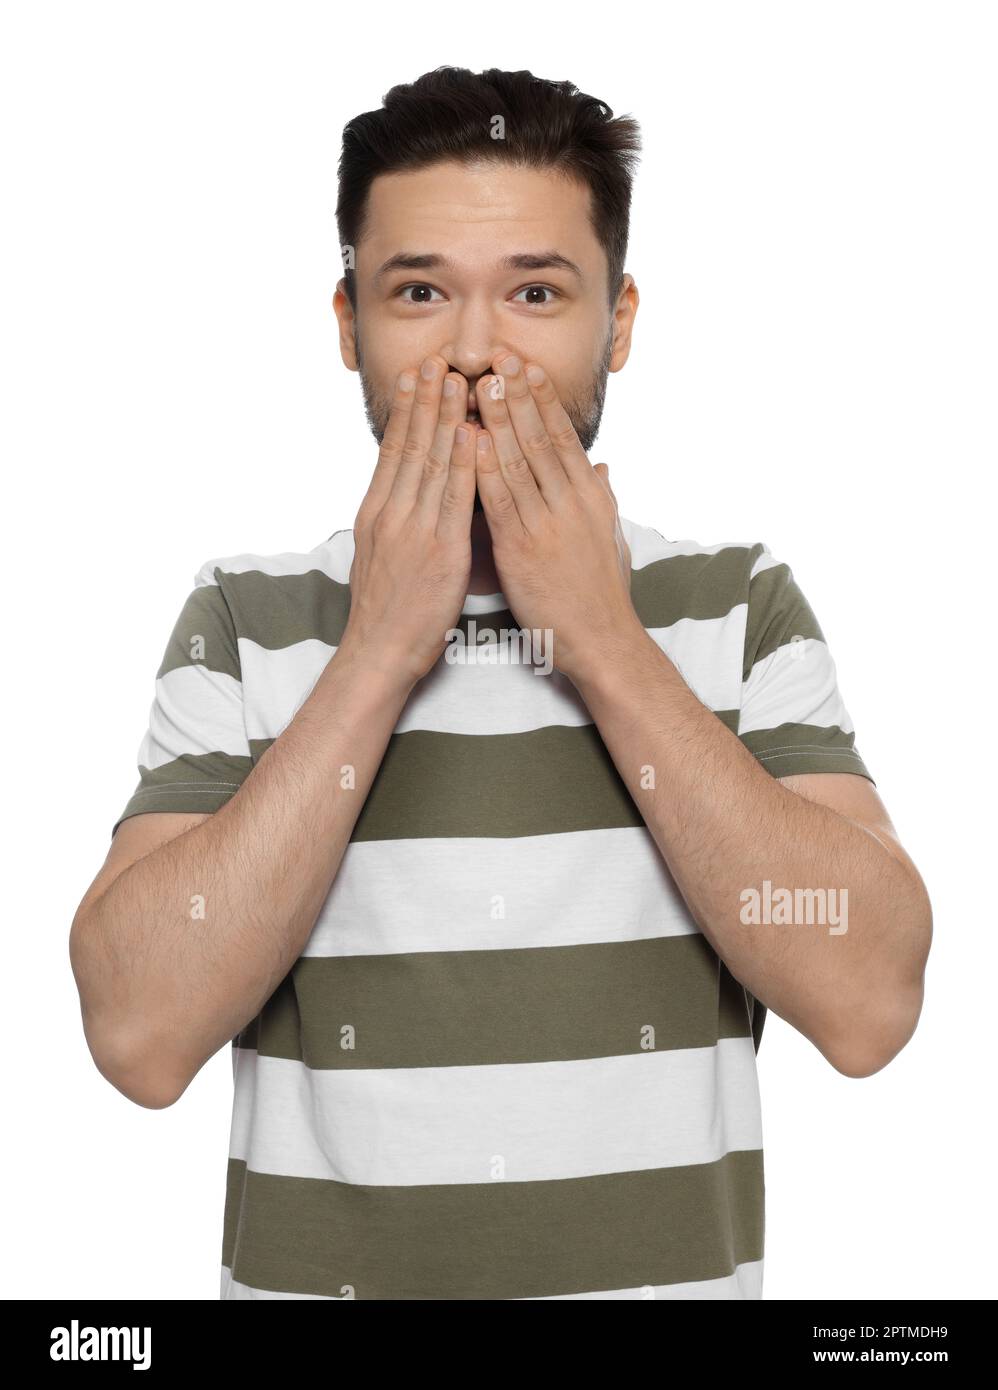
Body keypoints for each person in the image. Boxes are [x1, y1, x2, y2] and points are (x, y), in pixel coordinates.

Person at [69, 66, 932, 1301]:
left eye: (535, 291)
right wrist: (375, 654)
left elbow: (868, 1004)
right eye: (418, 292)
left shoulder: (735, 605)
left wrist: (601, 639)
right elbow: (139, 1037)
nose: (475, 351)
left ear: (617, 323)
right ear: (347, 321)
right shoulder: (246, 616)